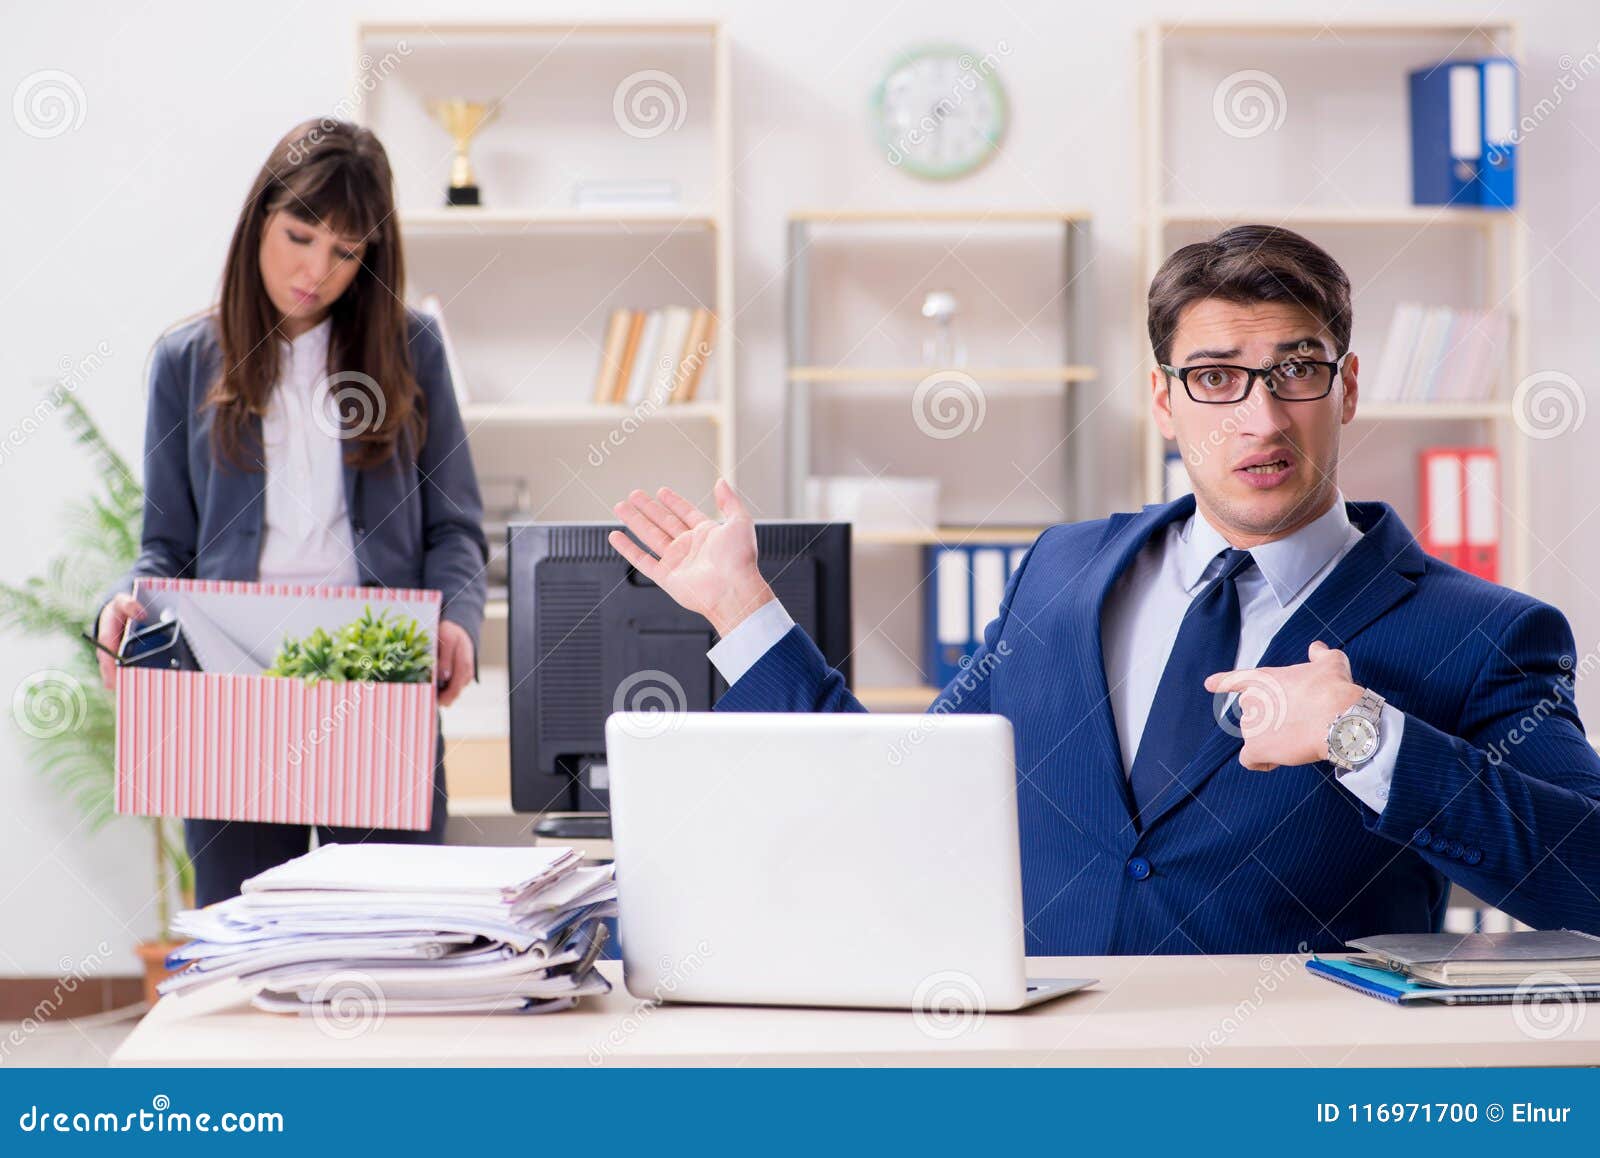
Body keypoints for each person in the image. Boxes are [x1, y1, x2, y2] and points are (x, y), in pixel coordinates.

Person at [609, 225, 1600, 955]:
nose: (1258, 420)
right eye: (1215, 377)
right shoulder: (1060, 570)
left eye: (1293, 371)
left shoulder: (1482, 634)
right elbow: (901, 794)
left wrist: (1365, 738)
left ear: (1344, 388)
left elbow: (1586, 877)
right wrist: (741, 609)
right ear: (1165, 400)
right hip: (1043, 1080)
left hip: (1290, 1094)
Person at [96, 119, 488, 907]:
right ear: (260, 221)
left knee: (388, 943)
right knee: (246, 954)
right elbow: (165, 547)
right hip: (227, 684)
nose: (315, 271)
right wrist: (123, 604)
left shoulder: (413, 351)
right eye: (300, 235)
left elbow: (456, 529)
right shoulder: (186, 361)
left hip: (379, 678)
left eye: (346, 252)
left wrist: (458, 621)